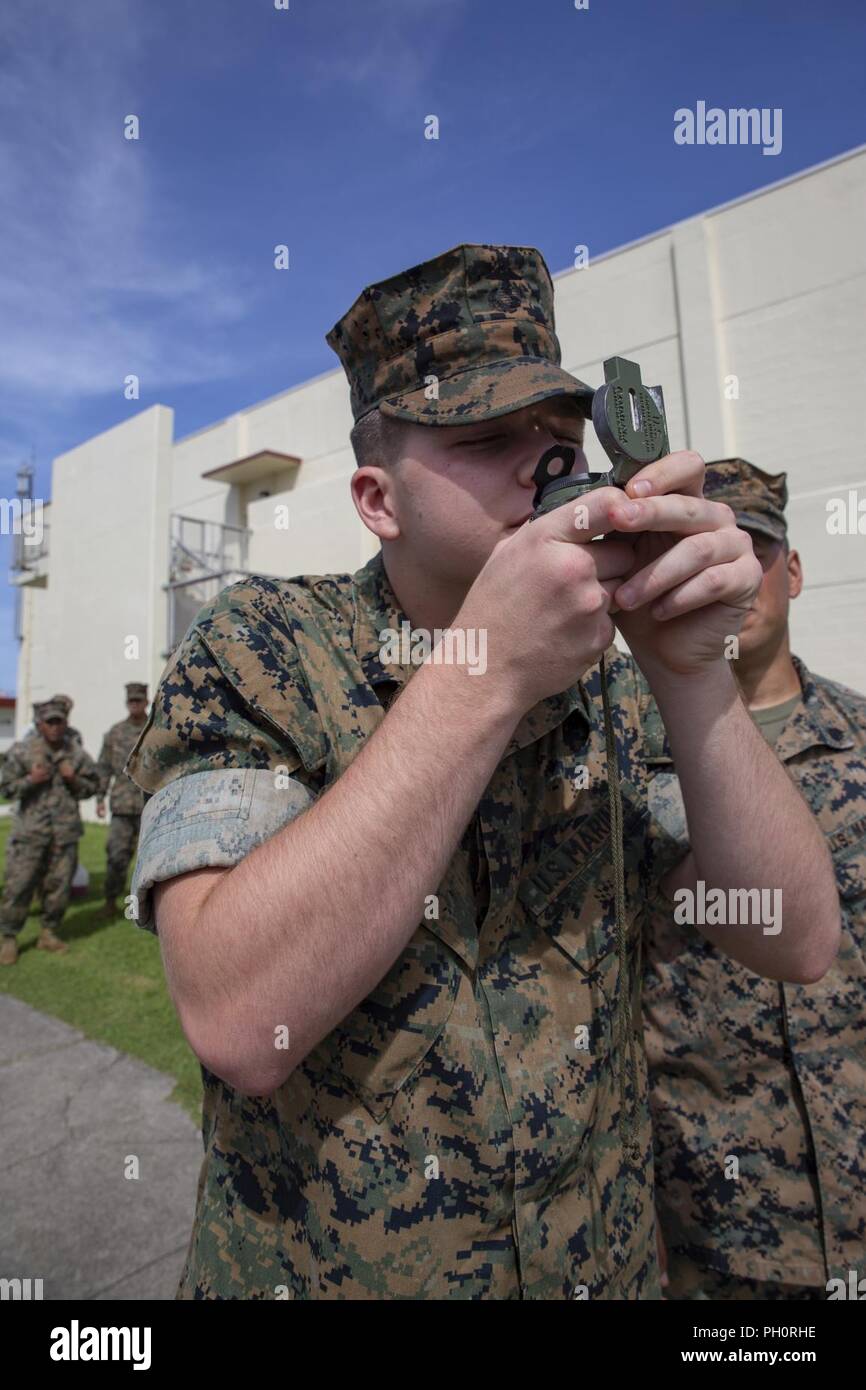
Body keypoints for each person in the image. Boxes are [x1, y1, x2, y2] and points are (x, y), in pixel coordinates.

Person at [126, 244, 838, 1300]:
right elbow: (238, 1020)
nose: (546, 468)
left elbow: (793, 936)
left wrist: (690, 680)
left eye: (560, 436)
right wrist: (483, 672)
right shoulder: (262, 646)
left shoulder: (615, 678)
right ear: (378, 499)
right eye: (487, 436)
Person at [643, 458, 866, 1301]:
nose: (730, 573)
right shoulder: (621, 763)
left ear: (794, 571)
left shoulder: (860, 741)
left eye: (754, 548)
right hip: (717, 1236)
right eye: (703, 550)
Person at [0, 700, 100, 965]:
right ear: (39, 724)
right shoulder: (23, 751)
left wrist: (73, 779)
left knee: (59, 887)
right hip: (30, 833)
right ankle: (8, 937)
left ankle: (48, 932)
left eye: (60, 722)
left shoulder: (75, 754)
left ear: (66, 723)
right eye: (50, 722)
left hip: (64, 833)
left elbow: (93, 786)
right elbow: (5, 787)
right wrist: (29, 781)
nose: (56, 727)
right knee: (19, 885)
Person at [95, 683, 149, 918]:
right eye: (131, 701)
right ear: (127, 703)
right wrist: (99, 797)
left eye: (139, 700)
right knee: (117, 855)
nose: (135, 704)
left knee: (150, 859)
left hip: (152, 806)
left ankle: (148, 907)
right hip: (122, 806)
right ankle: (110, 901)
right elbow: (104, 767)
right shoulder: (115, 733)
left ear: (146, 702)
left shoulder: (155, 729)